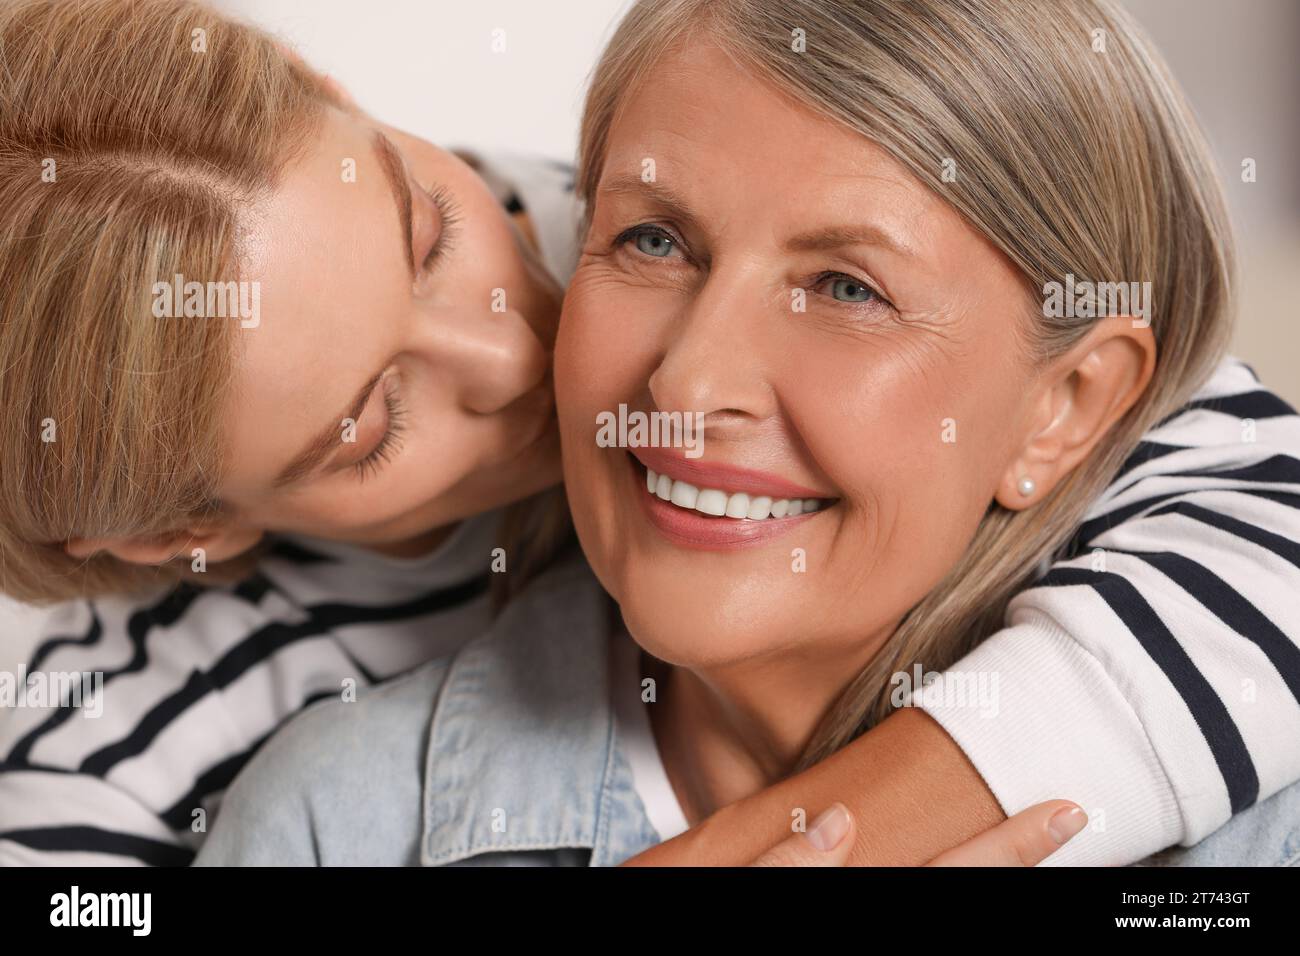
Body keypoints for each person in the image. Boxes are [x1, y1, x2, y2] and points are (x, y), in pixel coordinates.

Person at [193, 0, 1300, 866]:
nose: (689, 378)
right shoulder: (329, 824)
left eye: (846, 287)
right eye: (655, 240)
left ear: (1063, 409)